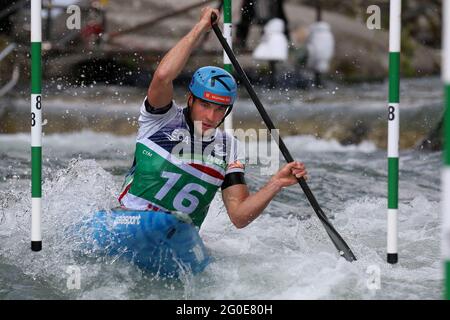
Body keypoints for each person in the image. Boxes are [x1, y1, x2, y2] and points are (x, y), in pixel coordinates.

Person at [91, 7, 307, 278]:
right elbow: (162, 77)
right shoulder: (160, 120)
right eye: (205, 105)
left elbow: (239, 216)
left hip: (178, 235)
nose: (211, 116)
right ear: (191, 99)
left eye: (220, 110)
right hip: (131, 221)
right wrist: (201, 27)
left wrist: (275, 183)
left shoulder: (229, 148)